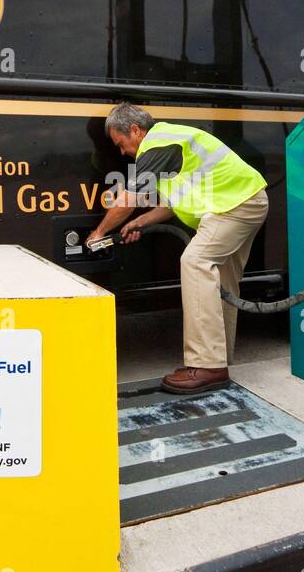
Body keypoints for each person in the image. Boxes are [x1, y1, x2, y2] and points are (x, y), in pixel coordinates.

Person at [85, 103, 269, 394]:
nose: (122, 152)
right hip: (244, 201)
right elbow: (173, 202)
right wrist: (141, 222)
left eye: (122, 144)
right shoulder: (170, 142)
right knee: (221, 279)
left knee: (195, 262)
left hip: (233, 207)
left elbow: (128, 200)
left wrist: (99, 232)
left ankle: (207, 365)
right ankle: (217, 360)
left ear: (135, 130)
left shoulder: (157, 145)